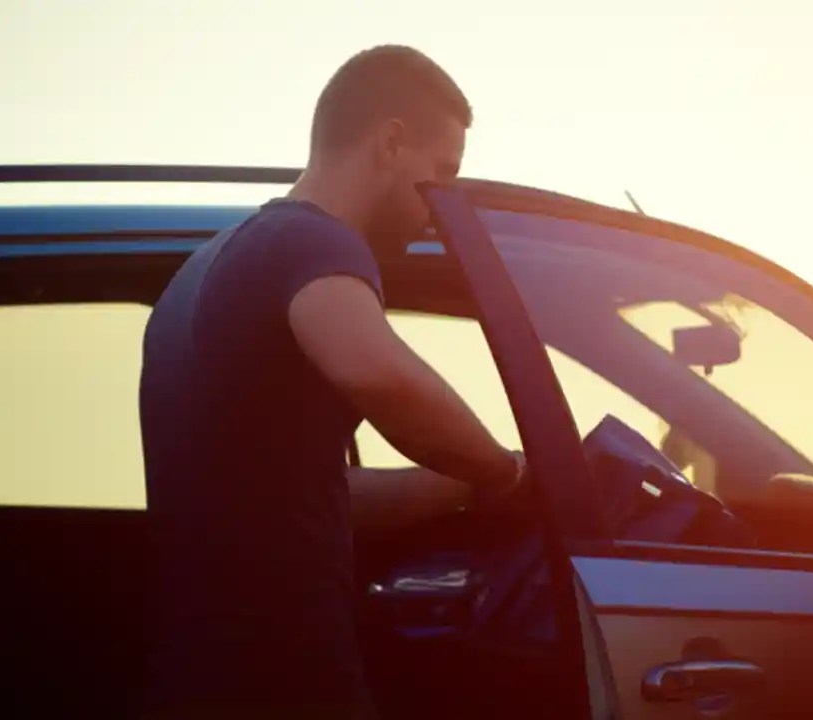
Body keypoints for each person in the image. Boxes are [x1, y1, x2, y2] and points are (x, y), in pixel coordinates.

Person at [138, 45, 524, 719]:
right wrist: (503, 472)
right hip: (283, 674)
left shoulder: (204, 267)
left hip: (202, 668)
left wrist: (460, 486)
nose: (440, 205)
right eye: (442, 173)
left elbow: (308, 494)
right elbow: (377, 374)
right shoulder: (315, 244)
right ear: (392, 143)